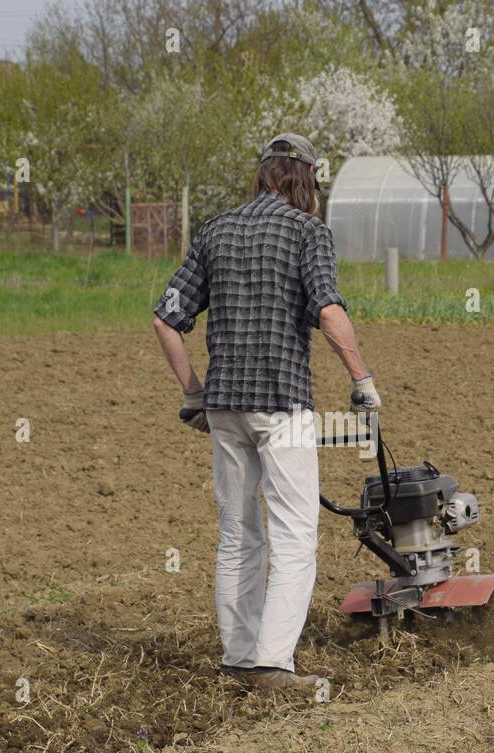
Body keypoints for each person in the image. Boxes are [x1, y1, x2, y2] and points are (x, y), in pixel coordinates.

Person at [152, 133, 380, 694]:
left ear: (262, 175)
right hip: (281, 405)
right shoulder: (308, 231)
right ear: (302, 180)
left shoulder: (215, 230)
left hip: (225, 407)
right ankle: (273, 664)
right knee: (297, 535)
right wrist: (362, 380)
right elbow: (327, 310)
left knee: (238, 533)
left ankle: (237, 657)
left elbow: (166, 319)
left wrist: (192, 392)